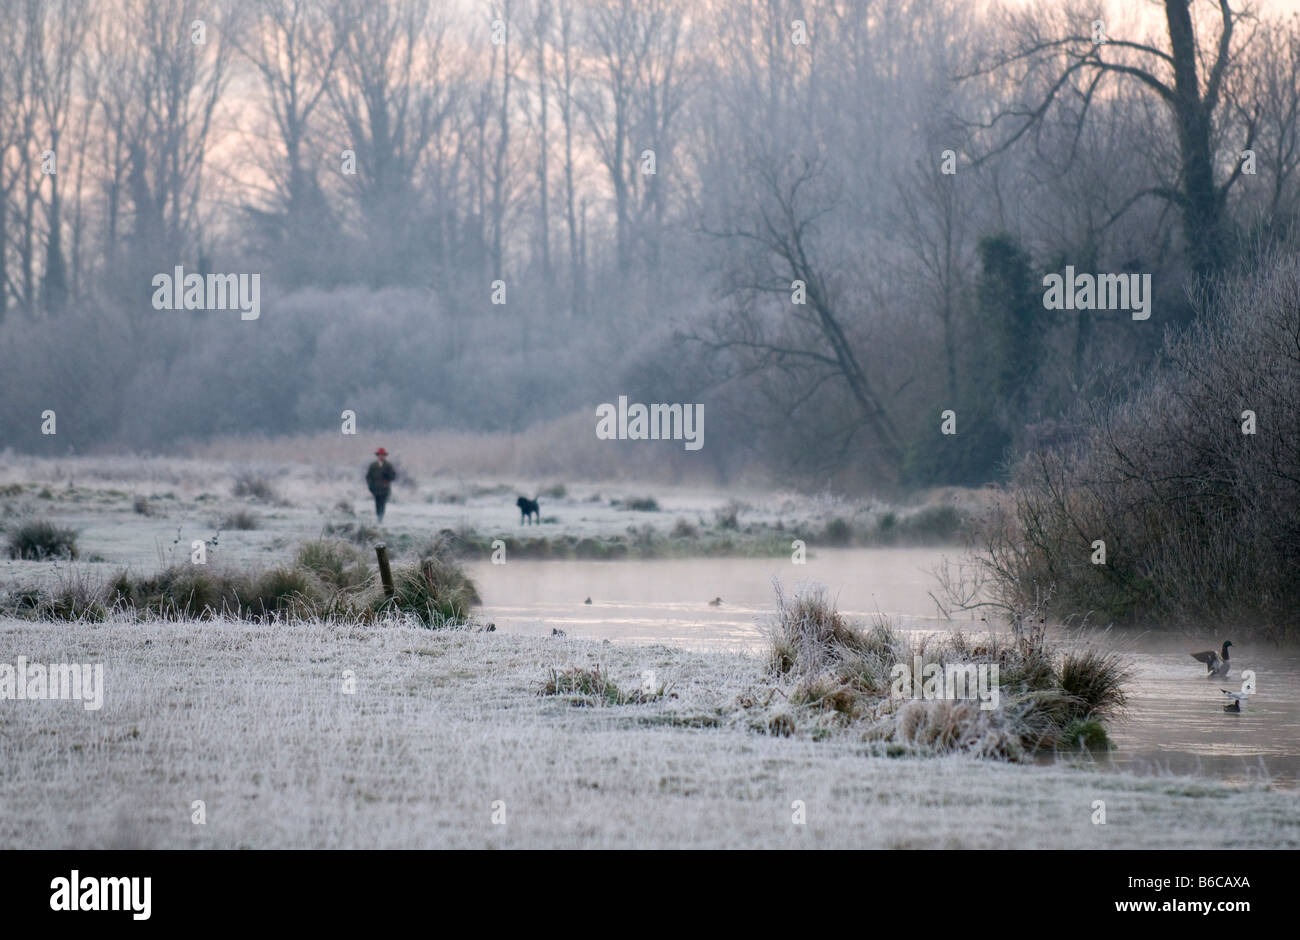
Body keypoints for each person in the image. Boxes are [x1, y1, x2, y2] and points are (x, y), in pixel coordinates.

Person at [366, 448, 397, 522]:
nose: (381, 456)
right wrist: (370, 486)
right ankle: (378, 517)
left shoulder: (388, 465)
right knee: (377, 504)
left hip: (385, 489)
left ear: (385, 456)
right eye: (380, 454)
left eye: (383, 455)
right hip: (375, 489)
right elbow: (368, 476)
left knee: (383, 504)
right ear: (377, 455)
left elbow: (394, 476)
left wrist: (388, 477)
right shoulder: (373, 465)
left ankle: (380, 518)